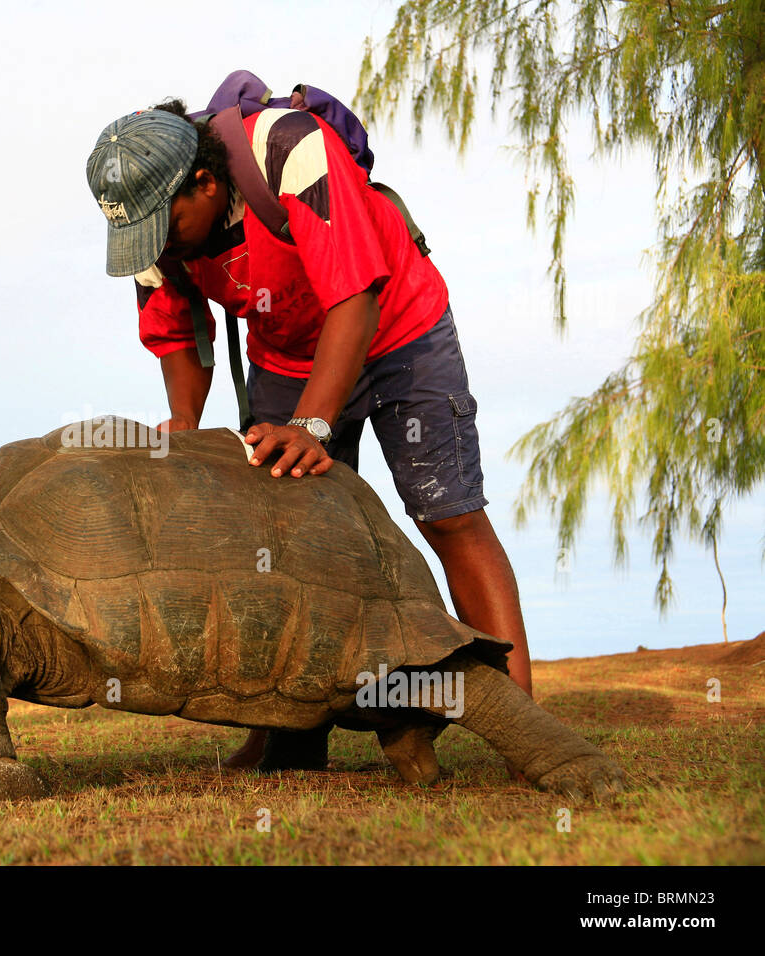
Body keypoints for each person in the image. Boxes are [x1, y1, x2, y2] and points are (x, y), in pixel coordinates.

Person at [85, 99, 532, 771]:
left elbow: (355, 297)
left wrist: (313, 426)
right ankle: (286, 738)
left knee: (448, 516)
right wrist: (181, 427)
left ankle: (524, 727)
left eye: (167, 224)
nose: (158, 243)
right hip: (286, 356)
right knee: (279, 543)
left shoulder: (290, 150)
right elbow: (178, 335)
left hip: (397, 329)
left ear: (205, 184)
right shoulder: (148, 230)